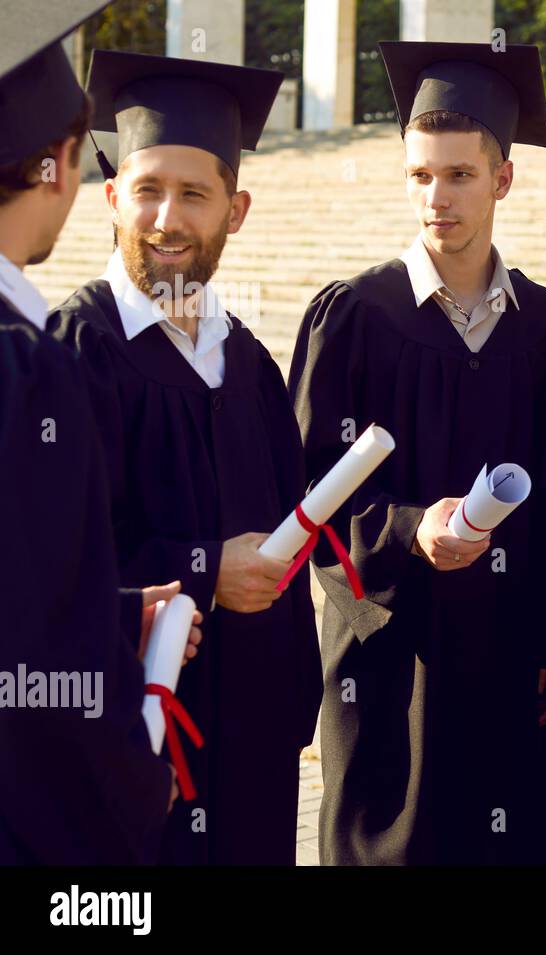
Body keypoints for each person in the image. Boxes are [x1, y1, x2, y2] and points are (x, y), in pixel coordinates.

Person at [289, 41, 546, 865]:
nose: (437, 197)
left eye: (459, 175)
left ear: (502, 179)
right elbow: (309, 496)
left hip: (511, 666)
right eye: (420, 175)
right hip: (388, 665)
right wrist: (409, 530)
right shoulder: (353, 316)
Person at [47, 50, 320, 865]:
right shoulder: (73, 352)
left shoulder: (250, 366)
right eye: (147, 190)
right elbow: (51, 565)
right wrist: (203, 571)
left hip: (256, 760)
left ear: (235, 211)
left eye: (194, 194)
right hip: (133, 752)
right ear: (109, 199)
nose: (167, 217)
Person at [0, 1, 199, 864]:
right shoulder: (28, 369)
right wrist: (133, 775)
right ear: (61, 166)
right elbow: (38, 645)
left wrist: (117, 614)